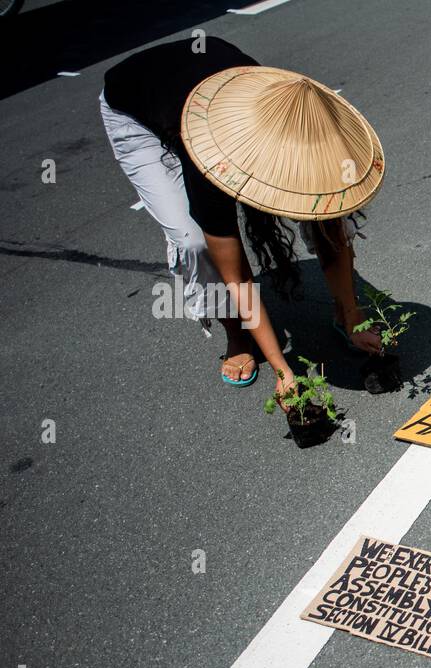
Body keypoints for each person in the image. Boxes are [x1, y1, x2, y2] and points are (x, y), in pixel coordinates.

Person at [99, 36, 386, 399]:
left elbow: (329, 226)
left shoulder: (299, 116)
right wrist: (284, 371)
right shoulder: (208, 154)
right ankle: (236, 333)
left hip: (205, 79)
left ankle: (346, 314)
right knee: (195, 241)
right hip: (135, 109)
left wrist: (353, 313)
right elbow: (234, 275)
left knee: (323, 206)